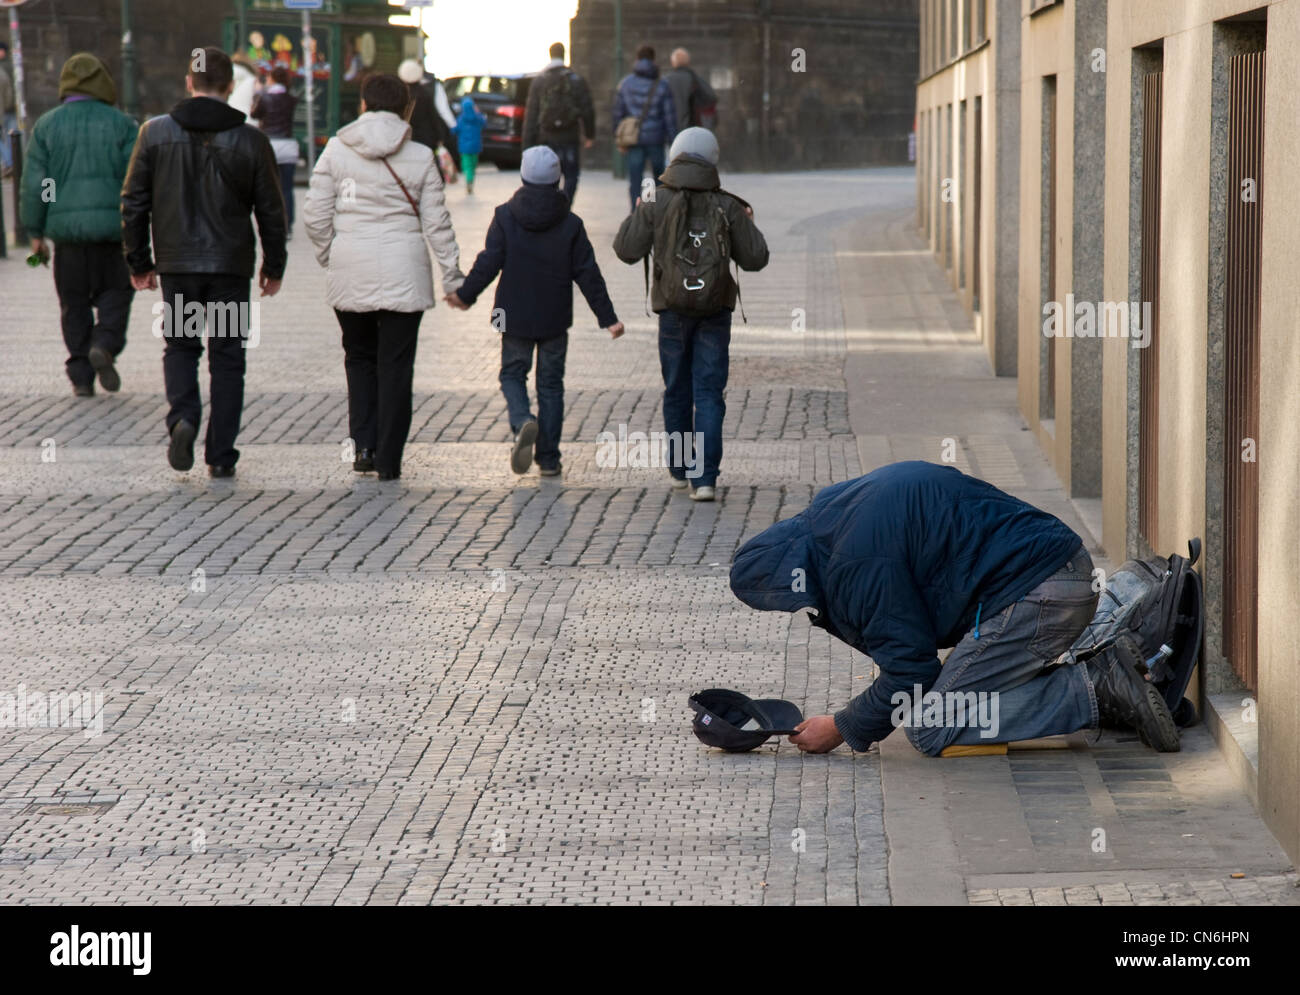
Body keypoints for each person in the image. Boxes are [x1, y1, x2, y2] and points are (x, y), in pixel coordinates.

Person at [729, 461, 1182, 757]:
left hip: (1040, 593)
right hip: (1060, 561)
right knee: (956, 683)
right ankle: (1123, 660)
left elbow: (912, 671)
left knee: (931, 724)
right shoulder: (833, 510)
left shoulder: (853, 567)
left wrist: (845, 726)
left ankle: (1099, 689)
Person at [121, 46, 287, 479]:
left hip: (177, 266)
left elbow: (133, 202)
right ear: (231, 87)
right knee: (228, 356)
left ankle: (183, 419)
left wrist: (139, 261)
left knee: (180, 347)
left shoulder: (154, 133)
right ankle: (221, 453)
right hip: (230, 267)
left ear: (188, 83)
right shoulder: (252, 140)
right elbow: (272, 209)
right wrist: (275, 265)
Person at [303, 72, 465, 482]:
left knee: (358, 358)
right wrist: (452, 277)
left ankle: (365, 447)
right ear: (406, 108)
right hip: (404, 273)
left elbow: (315, 215)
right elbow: (438, 224)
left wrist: (330, 255)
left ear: (362, 105)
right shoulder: (421, 155)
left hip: (350, 268)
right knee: (395, 366)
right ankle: (390, 460)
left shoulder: (337, 150)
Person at [445, 146, 623, 478]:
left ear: (524, 177)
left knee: (511, 373)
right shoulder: (571, 223)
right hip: (555, 316)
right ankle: (550, 459)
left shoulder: (504, 215)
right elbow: (588, 273)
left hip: (509, 314)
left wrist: (465, 295)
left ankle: (522, 420)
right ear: (557, 179)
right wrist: (608, 318)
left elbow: (489, 262)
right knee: (551, 385)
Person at [613, 127, 768, 501]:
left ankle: (681, 470)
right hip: (715, 311)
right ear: (713, 159)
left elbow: (625, 250)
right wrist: (747, 220)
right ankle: (705, 479)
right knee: (709, 393)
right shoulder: (727, 205)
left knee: (677, 391)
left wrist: (639, 212)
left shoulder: (656, 200)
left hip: (673, 312)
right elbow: (756, 258)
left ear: (674, 156)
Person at [20, 53, 138, 397]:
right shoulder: (122, 125)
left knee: (74, 304)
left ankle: (81, 374)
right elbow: (134, 180)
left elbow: (40, 184)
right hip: (113, 236)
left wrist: (36, 230)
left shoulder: (47, 126)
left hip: (68, 241)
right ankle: (104, 343)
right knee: (117, 295)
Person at [522, 42, 595, 204]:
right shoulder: (576, 79)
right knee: (571, 176)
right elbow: (587, 108)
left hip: (547, 137)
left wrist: (527, 145)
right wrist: (590, 134)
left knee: (547, 176)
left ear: (550, 54)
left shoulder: (539, 81)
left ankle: (550, 208)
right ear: (564, 54)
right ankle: (565, 209)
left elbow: (531, 115)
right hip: (569, 135)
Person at [612, 45, 677, 211]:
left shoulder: (625, 84)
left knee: (636, 179)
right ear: (654, 60)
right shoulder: (662, 84)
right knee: (659, 178)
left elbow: (618, 113)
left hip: (634, 138)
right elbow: (669, 116)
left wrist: (618, 138)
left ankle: (637, 214)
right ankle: (657, 211)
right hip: (656, 138)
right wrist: (673, 142)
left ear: (637, 60)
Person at [250, 66, 300, 235]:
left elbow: (254, 114)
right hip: (288, 146)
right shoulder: (291, 99)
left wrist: (257, 93)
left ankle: (270, 225)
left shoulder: (263, 97)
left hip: (269, 144)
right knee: (286, 188)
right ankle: (288, 226)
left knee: (267, 188)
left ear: (272, 79)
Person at [665, 47, 716, 133]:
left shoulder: (666, 81)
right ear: (688, 62)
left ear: (673, 62)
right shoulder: (696, 80)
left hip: (671, 129)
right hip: (692, 129)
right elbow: (711, 97)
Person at [453, 96, 485, 194]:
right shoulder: (478, 117)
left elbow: (454, 130)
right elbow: (484, 123)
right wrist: (478, 112)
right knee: (473, 164)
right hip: (475, 147)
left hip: (464, 147)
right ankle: (471, 180)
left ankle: (468, 179)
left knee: (467, 166)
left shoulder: (460, 118)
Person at [0, 41, 16, 177]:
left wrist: (7, 105)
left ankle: (10, 163)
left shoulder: (5, 68)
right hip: (8, 107)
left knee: (9, 137)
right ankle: (10, 163)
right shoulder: (10, 66)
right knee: (10, 137)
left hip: (7, 108)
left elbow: (9, 92)